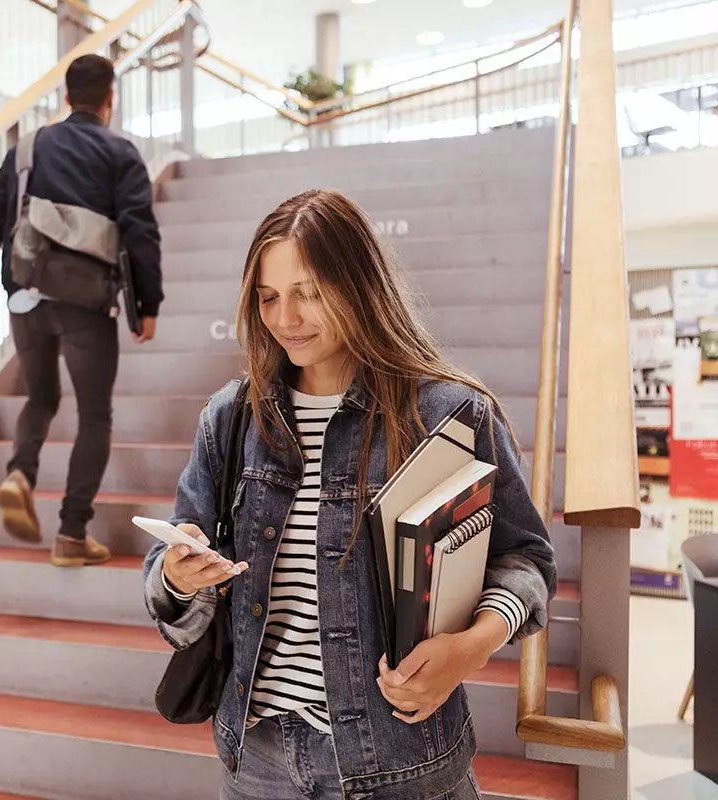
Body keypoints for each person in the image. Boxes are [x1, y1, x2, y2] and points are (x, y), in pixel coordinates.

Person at [142, 190, 556, 799]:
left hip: (401, 763)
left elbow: (526, 560)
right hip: (257, 762)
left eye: (308, 292)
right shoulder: (231, 418)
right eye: (269, 297)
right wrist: (180, 576)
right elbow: (171, 586)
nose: (286, 318)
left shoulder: (448, 414)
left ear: (358, 284)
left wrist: (472, 647)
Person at [0, 53, 163, 568]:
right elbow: (140, 229)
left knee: (42, 396)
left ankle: (20, 473)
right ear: (109, 99)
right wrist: (146, 304)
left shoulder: (28, 147)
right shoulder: (120, 152)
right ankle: (72, 534)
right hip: (86, 303)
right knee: (94, 415)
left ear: (66, 97)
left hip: (25, 297)